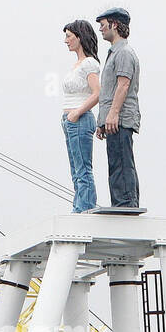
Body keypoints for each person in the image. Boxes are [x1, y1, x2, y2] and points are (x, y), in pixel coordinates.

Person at [94, 7, 141, 207]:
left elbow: (123, 84)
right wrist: (102, 121)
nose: (101, 29)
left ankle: (127, 203)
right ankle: (120, 202)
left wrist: (112, 115)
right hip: (113, 121)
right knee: (115, 164)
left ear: (114, 24)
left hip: (120, 119)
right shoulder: (115, 53)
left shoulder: (123, 53)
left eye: (103, 25)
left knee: (122, 162)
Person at [60, 20, 101, 213]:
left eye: (69, 36)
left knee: (83, 169)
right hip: (69, 120)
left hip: (80, 119)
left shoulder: (89, 64)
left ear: (79, 37)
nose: (66, 40)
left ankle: (84, 207)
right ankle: (79, 205)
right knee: (75, 169)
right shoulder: (76, 65)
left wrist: (77, 113)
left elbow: (97, 93)